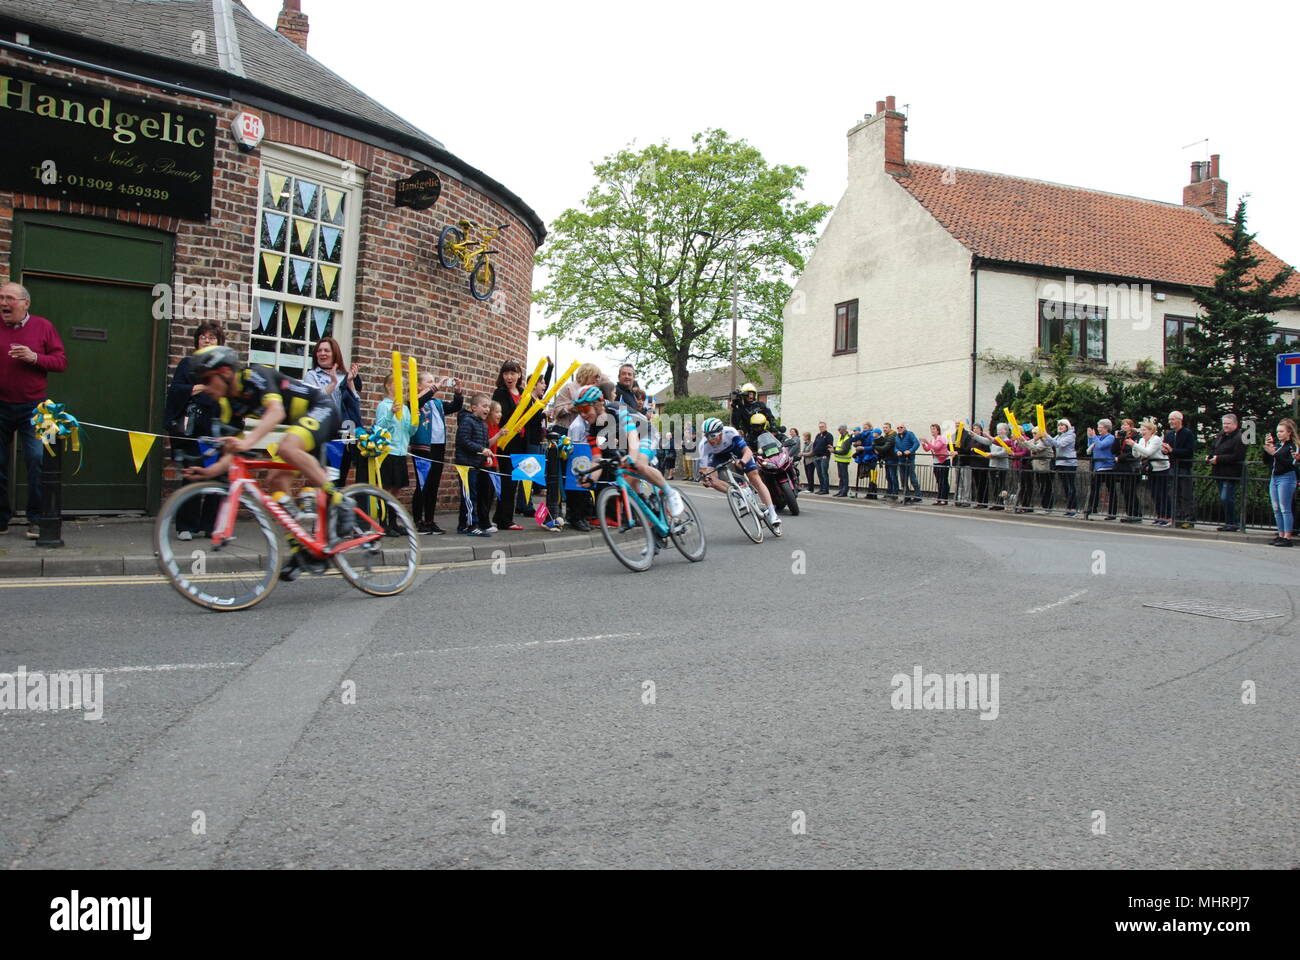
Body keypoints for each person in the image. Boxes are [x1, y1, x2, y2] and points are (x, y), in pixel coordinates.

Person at [182, 345, 347, 580]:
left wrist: (248, 441)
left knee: (287, 448)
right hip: (300, 424)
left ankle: (340, 501)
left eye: (208, 380)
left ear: (226, 372)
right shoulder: (228, 405)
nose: (206, 388)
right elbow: (233, 449)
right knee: (275, 481)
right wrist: (211, 472)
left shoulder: (255, 376)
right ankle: (301, 550)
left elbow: (276, 412)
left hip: (321, 408)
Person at [0, 282, 67, 539]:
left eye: (10, 299)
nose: (4, 303)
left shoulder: (43, 326)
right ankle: (1, 519)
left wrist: (35, 357)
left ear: (25, 303)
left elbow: (61, 362)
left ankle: (38, 519)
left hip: (33, 407)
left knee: (37, 459)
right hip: (1, 404)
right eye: (1, 298)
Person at [576, 385, 686, 521]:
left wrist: (632, 457)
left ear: (598, 404)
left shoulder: (616, 409)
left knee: (639, 463)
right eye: (578, 410)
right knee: (627, 480)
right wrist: (591, 478)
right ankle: (649, 509)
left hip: (645, 433)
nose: (582, 414)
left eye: (585, 409)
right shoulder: (592, 430)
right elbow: (597, 459)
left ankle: (670, 493)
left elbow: (632, 435)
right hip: (629, 443)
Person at [164, 322, 224, 540]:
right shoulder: (188, 364)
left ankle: (211, 526)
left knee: (216, 478)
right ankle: (186, 526)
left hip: (215, 428)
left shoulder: (224, 368)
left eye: (212, 337)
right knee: (191, 476)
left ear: (219, 342)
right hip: (192, 429)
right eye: (203, 337)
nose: (207, 340)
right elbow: (176, 391)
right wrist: (201, 388)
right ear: (197, 340)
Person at [694, 416, 780, 531]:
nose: (710, 439)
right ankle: (736, 494)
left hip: (736, 451)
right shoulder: (703, 445)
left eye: (713, 435)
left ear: (721, 433)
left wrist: (743, 462)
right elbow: (704, 469)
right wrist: (705, 479)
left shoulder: (730, 432)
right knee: (712, 481)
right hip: (717, 456)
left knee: (755, 477)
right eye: (707, 435)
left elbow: (747, 451)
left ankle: (772, 513)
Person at [302, 336, 362, 485]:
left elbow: (354, 403)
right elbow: (313, 400)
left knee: (340, 480)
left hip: (345, 432)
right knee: (322, 481)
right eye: (319, 351)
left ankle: (335, 507)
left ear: (334, 353)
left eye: (326, 350)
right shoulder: (312, 375)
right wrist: (333, 383)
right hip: (322, 431)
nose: (322, 353)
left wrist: (349, 383)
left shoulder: (345, 375)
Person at [410, 372, 464, 535]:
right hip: (423, 447)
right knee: (422, 484)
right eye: (430, 382)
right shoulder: (416, 400)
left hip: (438, 447)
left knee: (433, 485)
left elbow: (455, 406)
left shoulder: (438, 403)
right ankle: (418, 521)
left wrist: (458, 392)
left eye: (434, 382)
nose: (434, 384)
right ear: (419, 385)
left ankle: (429, 520)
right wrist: (436, 386)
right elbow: (418, 401)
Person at [373, 374, 420, 535]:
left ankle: (393, 522)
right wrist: (391, 413)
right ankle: (383, 522)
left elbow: (410, 431)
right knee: (386, 488)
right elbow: (379, 427)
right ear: (388, 386)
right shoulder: (384, 406)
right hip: (388, 451)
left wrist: (415, 423)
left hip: (400, 451)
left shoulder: (405, 408)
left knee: (396, 489)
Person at [491, 360, 528, 532]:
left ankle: (501, 516)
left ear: (519, 374)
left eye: (513, 373)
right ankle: (505, 520)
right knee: (508, 481)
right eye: (506, 373)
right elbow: (502, 416)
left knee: (516, 481)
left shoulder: (523, 392)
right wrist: (519, 408)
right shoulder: (500, 393)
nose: (509, 377)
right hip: (507, 442)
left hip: (521, 442)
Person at [454, 393, 493, 536]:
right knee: (470, 497)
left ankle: (462, 525)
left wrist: (486, 456)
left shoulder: (483, 425)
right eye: (484, 406)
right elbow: (463, 441)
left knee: (470, 496)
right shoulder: (467, 421)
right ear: (473, 407)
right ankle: (472, 525)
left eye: (488, 406)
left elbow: (484, 445)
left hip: (475, 465)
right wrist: (482, 449)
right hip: (465, 466)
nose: (487, 409)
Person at [1207, 413, 1248, 532]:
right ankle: (1230, 522)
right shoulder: (1221, 436)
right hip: (1220, 472)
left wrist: (1219, 459)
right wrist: (1210, 457)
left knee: (1227, 497)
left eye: (1228, 424)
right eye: (1224, 423)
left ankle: (1233, 522)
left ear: (1235, 424)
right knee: (1224, 498)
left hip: (1231, 473)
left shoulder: (1241, 437)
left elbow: (1238, 456)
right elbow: (1214, 448)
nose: (1225, 426)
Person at [1262, 419, 1298, 546]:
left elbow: (1290, 464)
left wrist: (1275, 454)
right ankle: (1281, 534)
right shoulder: (1277, 445)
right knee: (1276, 508)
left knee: (1285, 508)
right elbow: (1267, 461)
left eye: (1281, 431)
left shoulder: (1292, 446)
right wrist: (1267, 450)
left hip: (1286, 477)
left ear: (1289, 432)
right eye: (1277, 431)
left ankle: (1287, 537)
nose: (1278, 434)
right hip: (1275, 477)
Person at [1129, 418, 1170, 525]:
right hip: (1150, 470)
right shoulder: (1142, 440)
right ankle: (1159, 516)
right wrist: (1134, 446)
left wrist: (1134, 445)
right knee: (1154, 493)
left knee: (1162, 493)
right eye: (1141, 430)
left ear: (1151, 430)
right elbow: (1137, 455)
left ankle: (1167, 516)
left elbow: (1148, 453)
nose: (1142, 432)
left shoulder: (1156, 439)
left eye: (1144, 430)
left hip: (1161, 469)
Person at [1163, 410, 1196, 529]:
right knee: (1173, 494)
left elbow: (1189, 451)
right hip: (1173, 467)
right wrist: (1165, 450)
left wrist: (1172, 450)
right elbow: (1166, 449)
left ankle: (1188, 519)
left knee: (1185, 494)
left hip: (1184, 468)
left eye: (1172, 419)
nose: (1170, 422)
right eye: (1169, 419)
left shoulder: (1187, 433)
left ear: (1180, 420)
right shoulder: (1169, 434)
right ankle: (1177, 518)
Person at [550, 362, 602, 430]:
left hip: (584, 430)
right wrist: (574, 405)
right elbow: (557, 411)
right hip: (565, 429)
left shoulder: (593, 390)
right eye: (596, 376)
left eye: (599, 377)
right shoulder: (569, 387)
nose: (598, 379)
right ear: (587, 374)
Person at [1084, 419, 1118, 520]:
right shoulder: (1098, 437)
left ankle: (1112, 513)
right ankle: (1092, 509)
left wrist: (1094, 437)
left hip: (1107, 467)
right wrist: (1090, 437)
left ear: (1107, 428)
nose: (1099, 429)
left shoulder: (1110, 438)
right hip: (1098, 467)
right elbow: (1090, 448)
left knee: (1111, 490)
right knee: (1094, 489)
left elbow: (1101, 445)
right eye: (1098, 427)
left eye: (1101, 427)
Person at [1046, 418, 1079, 516]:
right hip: (1060, 462)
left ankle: (1073, 508)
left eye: (1062, 425)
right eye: (1059, 425)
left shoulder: (1071, 435)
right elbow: (1049, 443)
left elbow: (1059, 444)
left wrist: (1046, 435)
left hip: (1069, 463)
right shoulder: (1058, 435)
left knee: (1070, 486)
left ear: (1067, 427)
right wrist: (1042, 437)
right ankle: (1068, 508)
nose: (1060, 427)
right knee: (1065, 486)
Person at [1111, 418, 1140, 521]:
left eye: (1126, 425)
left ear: (1131, 426)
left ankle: (1135, 514)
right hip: (1122, 468)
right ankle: (1130, 513)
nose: (1123, 427)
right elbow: (1114, 450)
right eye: (1122, 425)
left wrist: (1120, 458)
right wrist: (1116, 438)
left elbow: (1133, 452)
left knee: (1130, 491)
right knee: (1125, 491)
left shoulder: (1135, 436)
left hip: (1131, 467)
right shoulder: (1121, 437)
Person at [1021, 425, 1053, 513]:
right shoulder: (1036, 440)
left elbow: (1035, 448)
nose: (1034, 435)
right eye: (1033, 433)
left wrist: (1026, 442)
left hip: (1045, 467)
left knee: (1046, 487)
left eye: (1035, 433)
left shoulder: (1044, 441)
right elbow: (1025, 444)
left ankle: (1048, 506)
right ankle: (1045, 506)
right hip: (1037, 467)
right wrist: (1020, 439)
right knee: (1041, 487)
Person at [894, 422, 922, 502]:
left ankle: (918, 496)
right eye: (898, 428)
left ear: (904, 428)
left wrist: (910, 450)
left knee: (913, 478)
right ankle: (907, 495)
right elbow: (895, 447)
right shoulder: (896, 437)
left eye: (901, 427)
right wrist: (897, 451)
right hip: (901, 460)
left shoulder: (910, 434)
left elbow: (916, 443)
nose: (899, 429)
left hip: (909, 460)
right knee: (903, 480)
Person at [923, 424, 951, 504]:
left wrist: (927, 442)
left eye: (934, 429)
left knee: (943, 480)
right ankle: (939, 499)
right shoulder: (932, 440)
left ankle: (944, 499)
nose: (932, 431)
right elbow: (927, 449)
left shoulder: (941, 438)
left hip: (944, 460)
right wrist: (923, 444)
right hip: (936, 461)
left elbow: (936, 447)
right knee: (939, 480)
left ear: (938, 430)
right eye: (931, 429)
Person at [874, 423, 899, 500]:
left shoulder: (892, 436)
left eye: (886, 427)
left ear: (890, 428)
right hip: (887, 459)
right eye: (884, 428)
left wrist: (874, 446)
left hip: (893, 458)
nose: (884, 429)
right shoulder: (886, 435)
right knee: (888, 476)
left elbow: (885, 447)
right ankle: (889, 492)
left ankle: (894, 494)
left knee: (893, 476)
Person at [811, 421, 834, 494]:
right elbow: (814, 445)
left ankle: (825, 490)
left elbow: (829, 446)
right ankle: (821, 488)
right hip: (816, 457)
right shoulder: (818, 435)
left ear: (825, 427)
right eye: (820, 427)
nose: (821, 428)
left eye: (822, 426)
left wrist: (826, 455)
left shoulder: (828, 435)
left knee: (824, 473)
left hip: (824, 457)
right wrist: (814, 454)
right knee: (819, 474)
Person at [831, 424, 853, 496]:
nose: (838, 431)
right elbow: (839, 447)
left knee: (844, 476)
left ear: (843, 430)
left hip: (844, 460)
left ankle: (844, 491)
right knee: (841, 476)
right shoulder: (841, 437)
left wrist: (834, 451)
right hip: (839, 460)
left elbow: (844, 451)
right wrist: (833, 448)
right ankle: (841, 490)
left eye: (839, 429)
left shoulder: (847, 438)